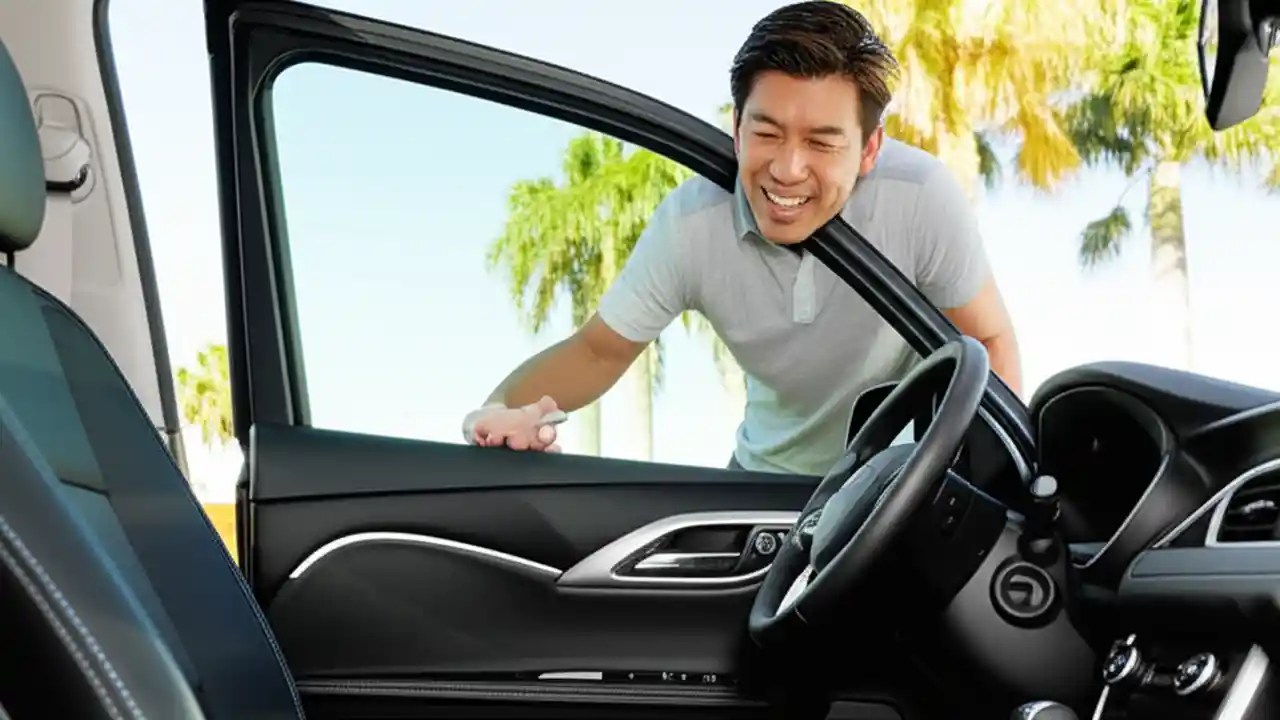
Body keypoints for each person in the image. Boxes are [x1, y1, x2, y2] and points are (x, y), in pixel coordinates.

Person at [462, 0, 1021, 476]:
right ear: (736, 128)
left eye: (822, 143)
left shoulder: (918, 197)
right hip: (759, 482)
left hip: (895, 484)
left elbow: (988, 340)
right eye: (767, 132)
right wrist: (495, 410)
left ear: (869, 148)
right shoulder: (692, 223)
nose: (787, 169)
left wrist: (993, 478)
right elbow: (597, 352)